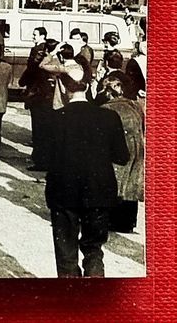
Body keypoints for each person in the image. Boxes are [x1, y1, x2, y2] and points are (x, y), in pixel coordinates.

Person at [45, 69, 129, 278]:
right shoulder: (109, 117)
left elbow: (45, 159)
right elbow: (122, 156)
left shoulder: (55, 118)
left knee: (66, 254)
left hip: (63, 192)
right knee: (94, 250)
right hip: (99, 191)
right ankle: (95, 294)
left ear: (63, 88)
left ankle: (71, 301)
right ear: (89, 86)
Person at [99, 73, 145, 234]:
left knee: (117, 181)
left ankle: (114, 220)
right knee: (132, 182)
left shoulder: (107, 108)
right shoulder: (135, 105)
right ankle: (128, 222)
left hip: (120, 148)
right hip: (138, 147)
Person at [19, 28, 55, 171]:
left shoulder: (38, 52)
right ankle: (43, 158)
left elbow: (31, 70)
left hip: (37, 94)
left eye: (35, 35)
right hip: (46, 95)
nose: (32, 37)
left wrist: (23, 82)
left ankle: (40, 160)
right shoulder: (48, 54)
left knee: (39, 129)